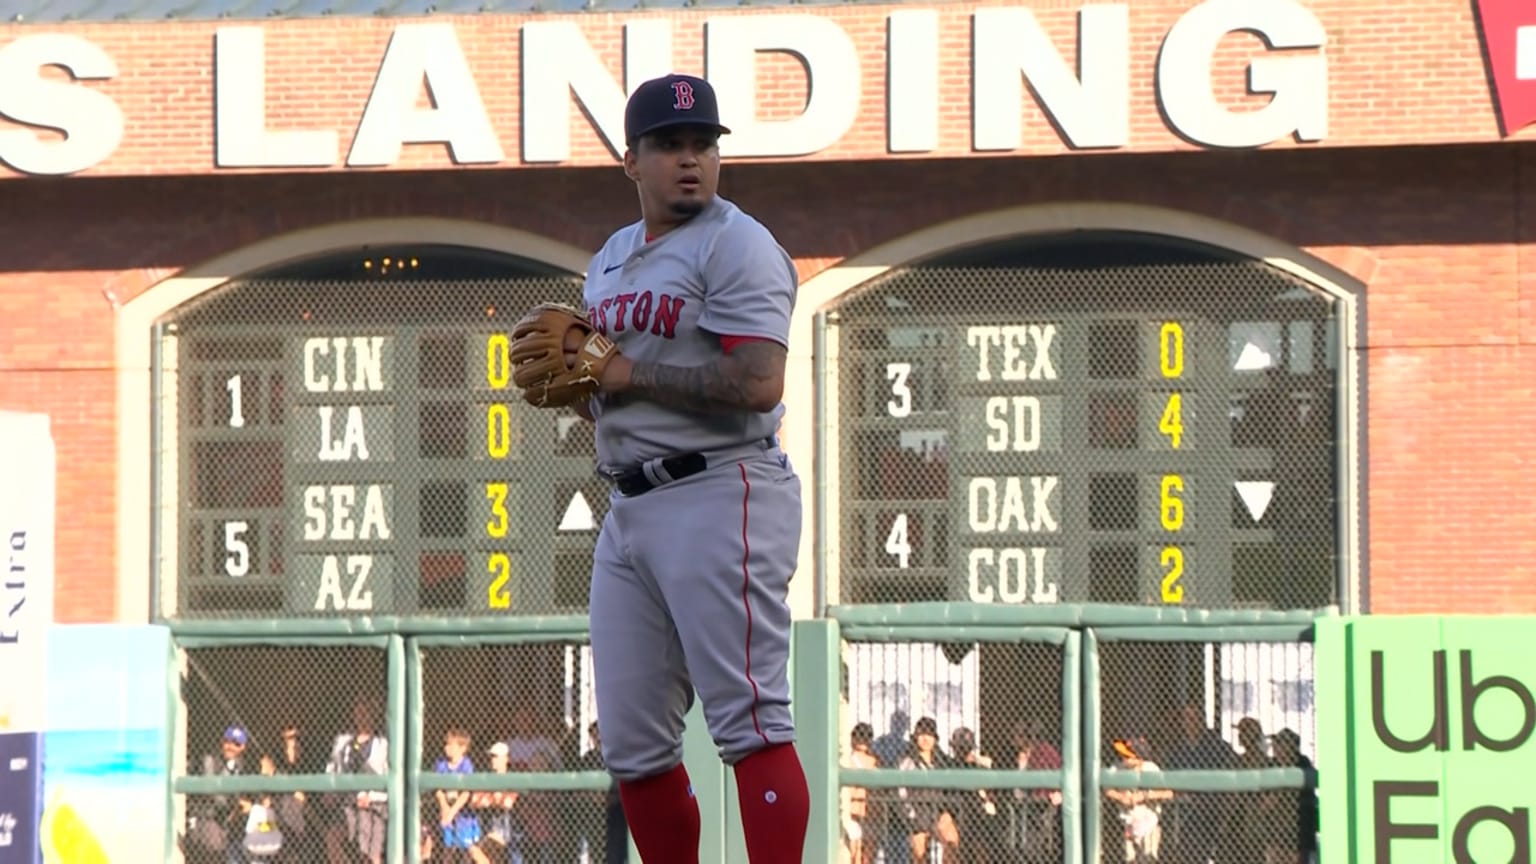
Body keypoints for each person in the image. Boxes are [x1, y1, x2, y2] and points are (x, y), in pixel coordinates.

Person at [533, 72, 809, 864]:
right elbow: (610, 385)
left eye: (703, 145)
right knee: (631, 743)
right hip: (629, 505)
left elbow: (758, 381)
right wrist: (585, 393)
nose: (690, 160)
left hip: (723, 488)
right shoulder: (611, 259)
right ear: (632, 161)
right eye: (669, 145)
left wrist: (623, 375)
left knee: (750, 722)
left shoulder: (738, 244)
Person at [433, 728, 481, 863]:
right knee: (448, 849)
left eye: (451, 745)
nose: (446, 747)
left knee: (467, 851)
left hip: (463, 815)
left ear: (462, 748)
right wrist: (444, 807)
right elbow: (438, 788)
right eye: (446, 744)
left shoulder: (466, 765)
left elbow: (466, 793)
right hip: (446, 811)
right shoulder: (441, 764)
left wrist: (452, 812)